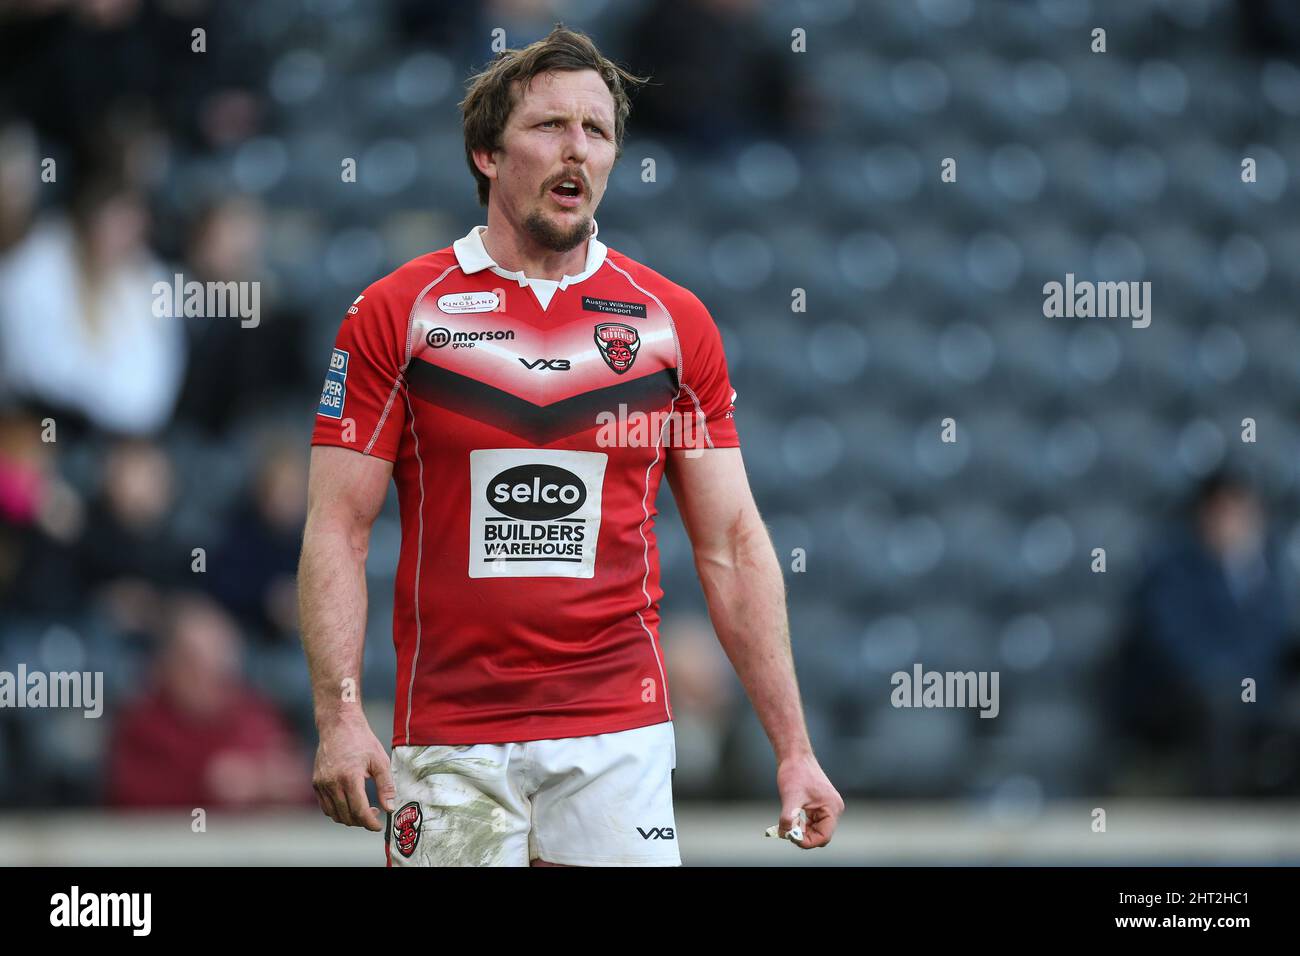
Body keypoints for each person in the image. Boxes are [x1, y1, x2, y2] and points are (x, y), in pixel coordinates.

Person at [298, 24, 843, 866]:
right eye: (550, 125)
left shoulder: (671, 323)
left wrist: (794, 747)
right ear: (487, 153)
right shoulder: (397, 313)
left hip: (617, 732)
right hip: (449, 734)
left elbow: (732, 544)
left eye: (597, 130)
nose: (577, 148)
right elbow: (338, 527)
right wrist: (339, 714)